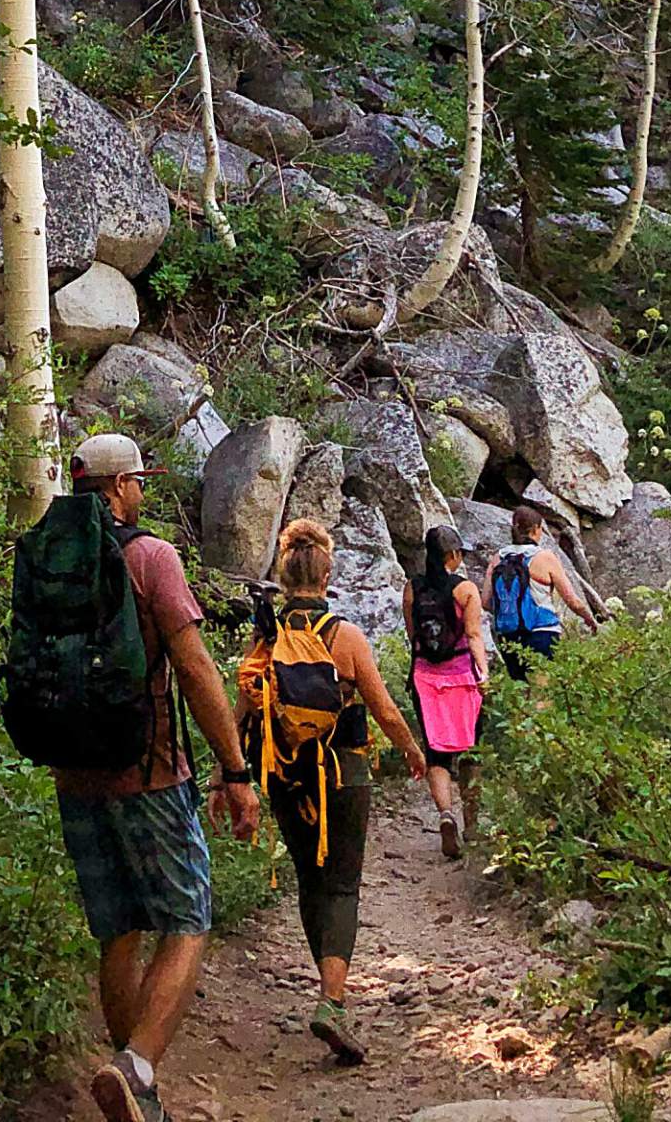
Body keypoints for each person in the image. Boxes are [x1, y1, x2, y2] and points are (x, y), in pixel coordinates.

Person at [55, 433, 261, 1122]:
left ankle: (133, 1087)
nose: (143, 491)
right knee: (187, 918)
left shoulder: (49, 556)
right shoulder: (150, 557)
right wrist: (235, 769)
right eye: (139, 480)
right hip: (149, 773)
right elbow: (198, 671)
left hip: (74, 775)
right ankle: (136, 1068)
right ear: (116, 488)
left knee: (118, 928)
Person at [236, 517, 428, 1069]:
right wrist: (413, 751)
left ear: (284, 572)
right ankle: (334, 1001)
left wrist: (235, 773)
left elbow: (244, 707)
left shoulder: (266, 638)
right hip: (344, 774)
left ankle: (326, 984)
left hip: (285, 775)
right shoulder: (345, 637)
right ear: (327, 573)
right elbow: (385, 708)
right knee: (343, 885)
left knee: (308, 879)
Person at [403, 523, 489, 860]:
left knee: (436, 754)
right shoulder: (465, 590)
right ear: (452, 555)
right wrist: (483, 674)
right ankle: (472, 824)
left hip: (426, 678)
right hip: (462, 678)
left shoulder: (412, 588)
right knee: (471, 751)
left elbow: (413, 635)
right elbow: (474, 636)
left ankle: (445, 814)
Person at [483, 506, 598, 677]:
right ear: (536, 529)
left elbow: (485, 601)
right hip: (542, 632)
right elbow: (572, 601)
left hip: (508, 635)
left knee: (519, 690)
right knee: (541, 694)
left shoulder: (498, 558)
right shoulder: (545, 558)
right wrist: (590, 619)